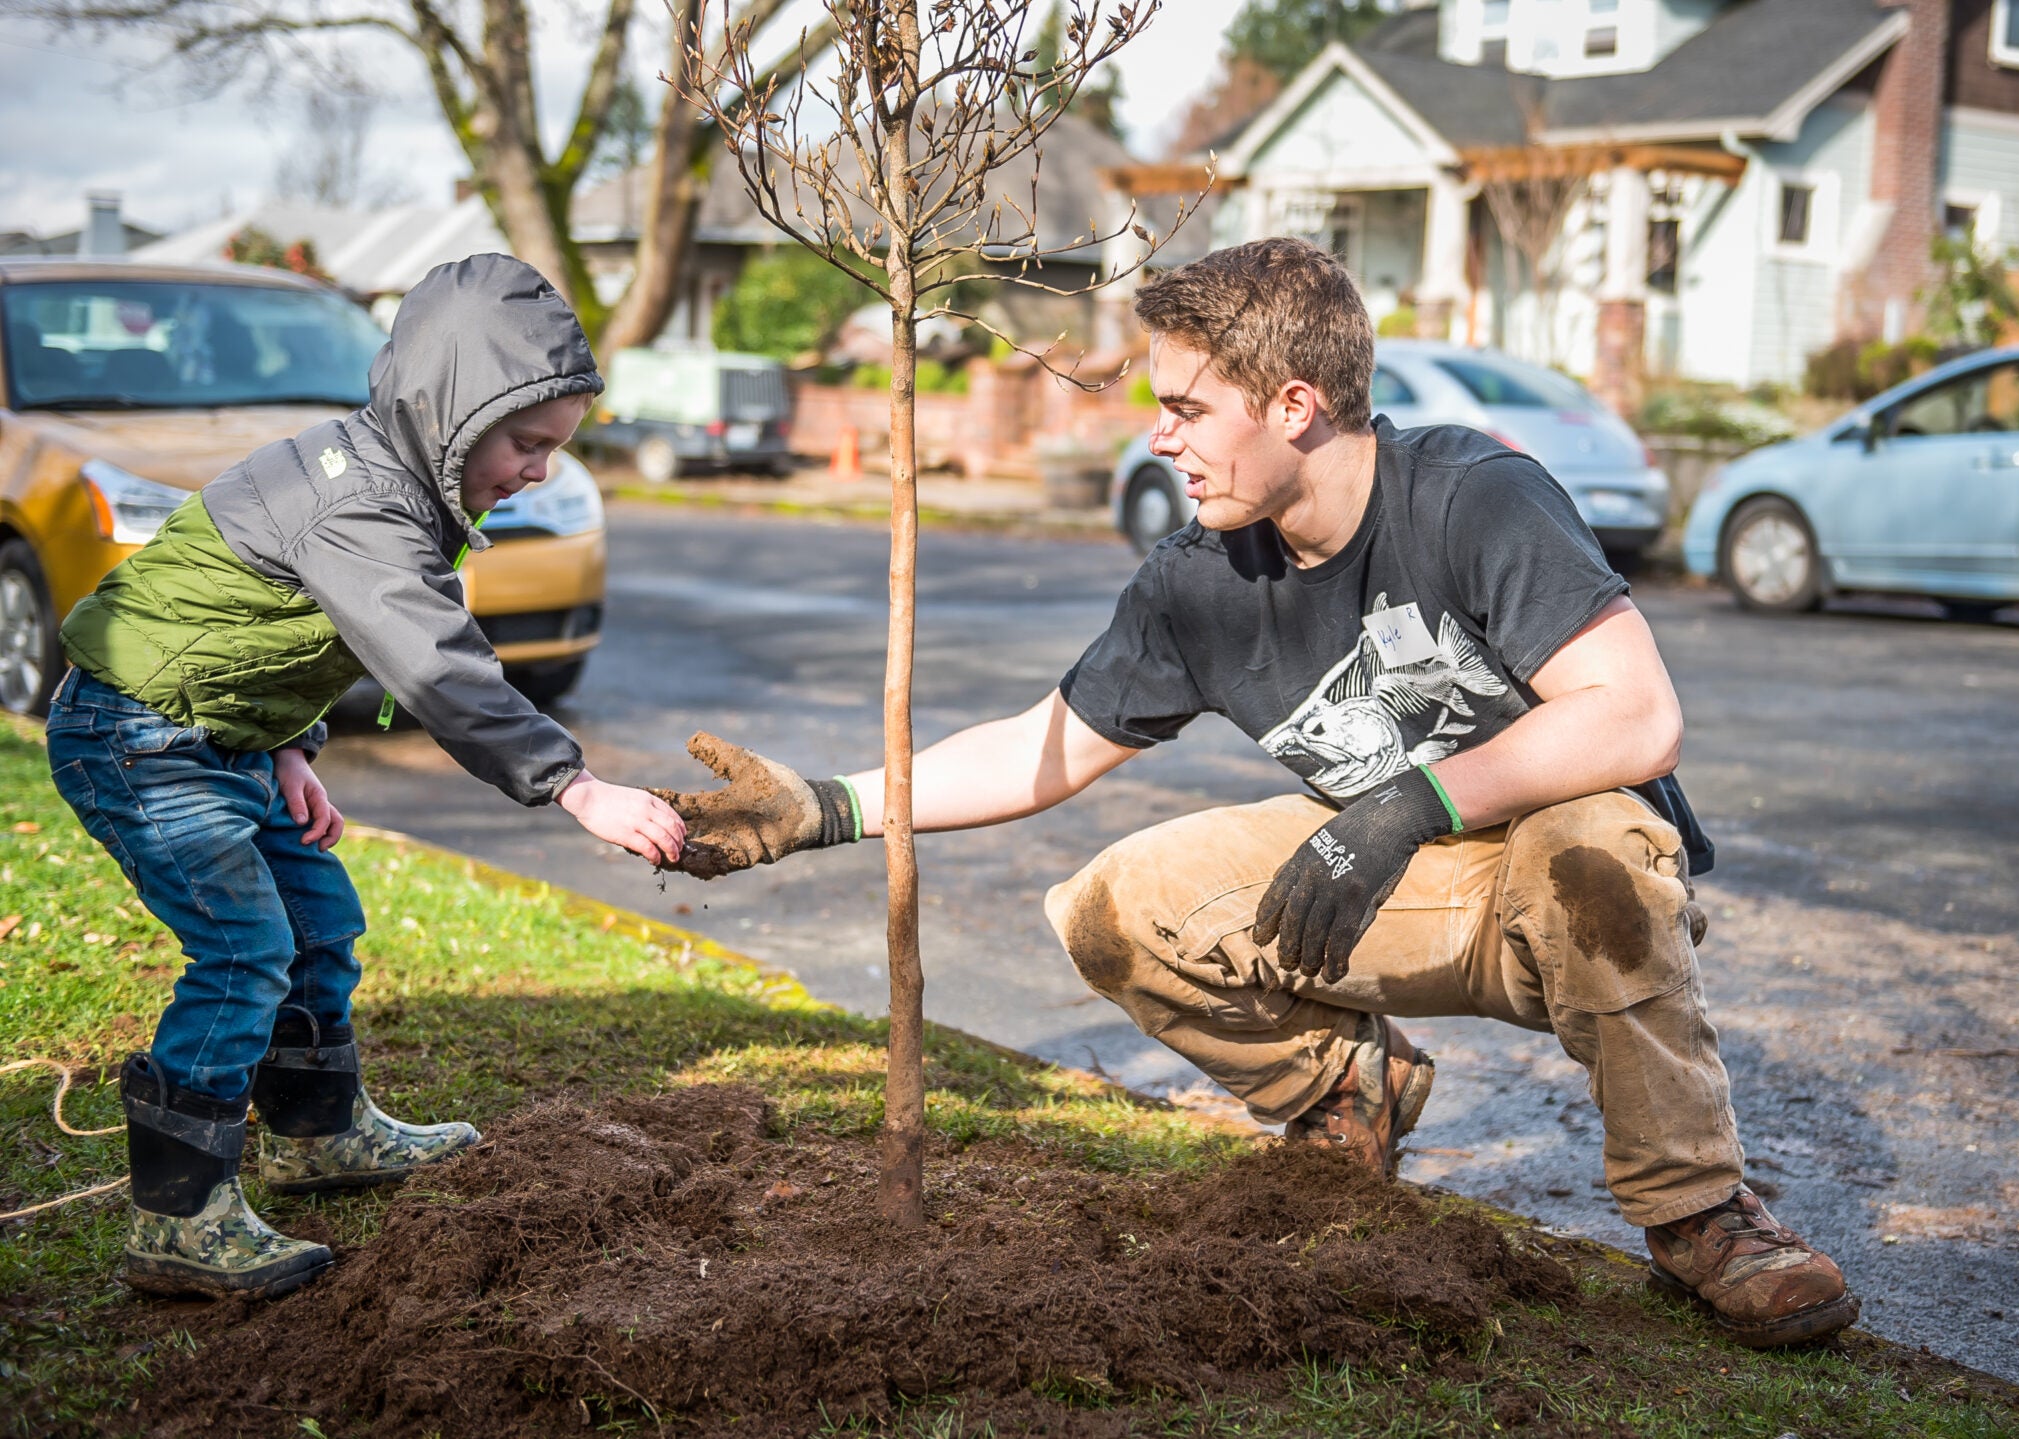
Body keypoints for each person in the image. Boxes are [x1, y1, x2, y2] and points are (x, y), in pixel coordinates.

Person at [652, 238, 1857, 1350]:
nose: (1159, 438)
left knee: (1591, 844)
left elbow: (1633, 712)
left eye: (1184, 409)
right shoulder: (1200, 580)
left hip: (1559, 881)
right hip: (1390, 882)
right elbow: (1038, 748)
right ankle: (1343, 1096)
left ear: (1293, 404)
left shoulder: (1472, 494)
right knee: (1114, 904)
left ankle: (1698, 1216)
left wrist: (1408, 804)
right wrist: (827, 805)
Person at [47, 255, 686, 1299]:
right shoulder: (362, 501)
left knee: (318, 918)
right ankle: (178, 1214)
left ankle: (317, 1133)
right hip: (138, 734)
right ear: (454, 412)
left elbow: (261, 627)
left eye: (554, 450)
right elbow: (434, 665)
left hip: (220, 731)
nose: (537, 471)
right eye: (527, 443)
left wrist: (291, 746)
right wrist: (574, 785)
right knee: (243, 949)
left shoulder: (384, 475)